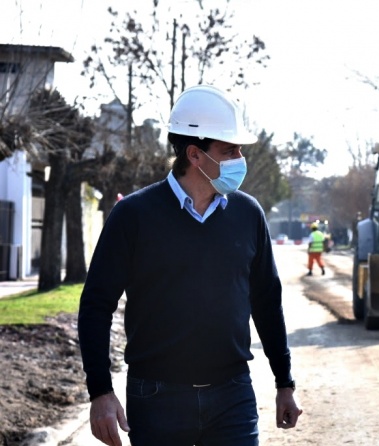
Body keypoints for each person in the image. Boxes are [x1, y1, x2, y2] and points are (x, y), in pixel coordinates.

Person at [78, 84, 302, 446]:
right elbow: (96, 305)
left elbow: (266, 302)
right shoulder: (133, 215)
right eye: (230, 150)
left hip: (233, 395)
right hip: (155, 399)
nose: (240, 158)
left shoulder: (248, 214)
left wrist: (284, 383)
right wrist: (100, 392)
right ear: (195, 155)